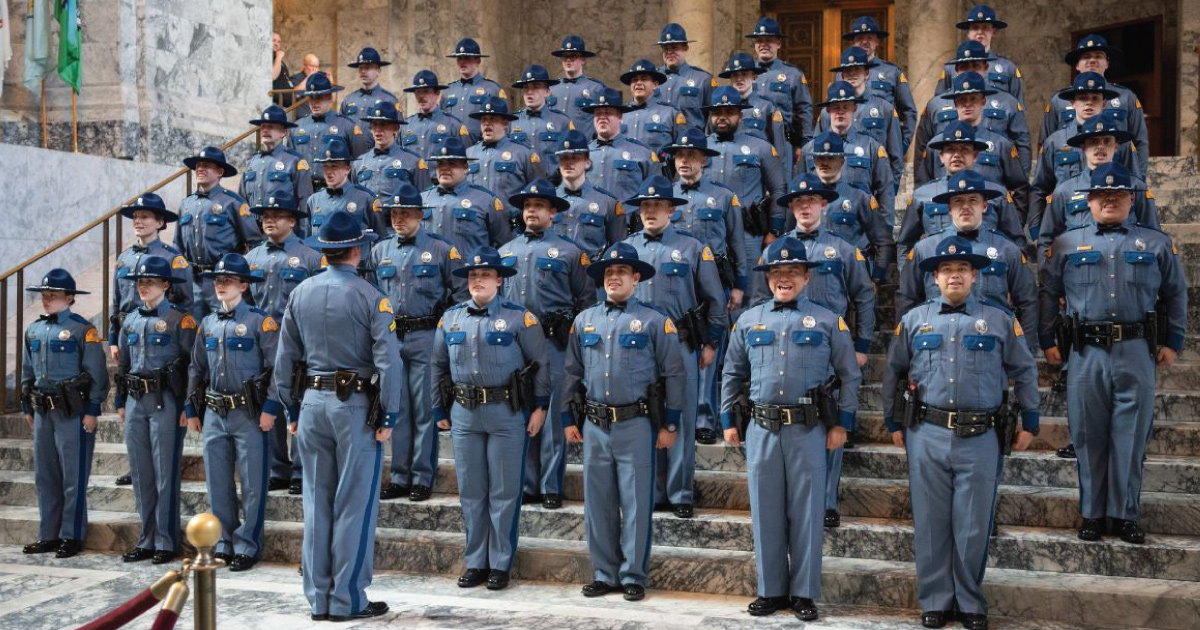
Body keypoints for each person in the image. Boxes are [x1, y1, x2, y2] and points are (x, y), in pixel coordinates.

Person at [883, 236, 1039, 630]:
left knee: (973, 524)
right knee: (930, 522)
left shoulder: (999, 319)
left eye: (962, 269)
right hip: (927, 432)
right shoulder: (914, 320)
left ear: (974, 276)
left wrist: (1031, 419)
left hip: (980, 435)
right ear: (934, 278)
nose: (954, 275)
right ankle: (936, 600)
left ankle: (969, 601)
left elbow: (1024, 370)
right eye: (947, 270)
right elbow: (894, 371)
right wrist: (893, 421)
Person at [1038, 163, 1187, 545]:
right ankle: (1092, 513)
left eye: (1117, 194)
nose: (1109, 200)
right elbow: (1048, 294)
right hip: (1086, 352)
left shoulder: (1155, 243)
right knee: (1088, 435)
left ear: (1131, 199)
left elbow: (1176, 292)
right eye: (1101, 195)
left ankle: (1124, 515)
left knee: (1131, 436)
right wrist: (1048, 339)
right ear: (1089, 200)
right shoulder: (1066, 244)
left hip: (1136, 349)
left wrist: (1173, 340)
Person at [721, 236, 861, 621]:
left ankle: (803, 593)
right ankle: (771, 590)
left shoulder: (829, 320)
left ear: (806, 277)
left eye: (793, 271)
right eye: (777, 272)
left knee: (808, 512)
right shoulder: (748, 320)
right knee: (765, 511)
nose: (784, 278)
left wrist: (842, 424)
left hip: (808, 428)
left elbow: (850, 375)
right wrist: (727, 420)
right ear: (767, 278)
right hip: (762, 428)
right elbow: (732, 373)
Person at [274, 211, 404, 621]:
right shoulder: (371, 296)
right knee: (353, 504)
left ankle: (319, 600)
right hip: (355, 406)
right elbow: (389, 362)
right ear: (357, 250)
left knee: (316, 504)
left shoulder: (301, 293)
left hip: (312, 404)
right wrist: (390, 415)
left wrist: (291, 407)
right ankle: (348, 599)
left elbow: (285, 358)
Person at [561, 242, 686, 601]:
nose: (614, 277)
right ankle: (604, 573)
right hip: (595, 423)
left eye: (621, 272)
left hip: (636, 423)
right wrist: (568, 417)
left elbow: (674, 374)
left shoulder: (654, 321)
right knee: (598, 503)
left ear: (636, 278)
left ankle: (633, 574)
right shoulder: (584, 321)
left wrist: (670, 424)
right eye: (608, 272)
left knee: (636, 502)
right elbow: (571, 372)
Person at [755, 175, 875, 528]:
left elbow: (864, 296)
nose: (805, 207)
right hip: (785, 349)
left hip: (829, 348)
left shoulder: (843, 250)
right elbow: (759, 302)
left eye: (811, 201)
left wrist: (862, 345)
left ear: (824, 204)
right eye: (798, 202)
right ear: (791, 207)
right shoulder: (773, 252)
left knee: (829, 420)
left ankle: (826, 501)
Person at [432, 246, 551, 590]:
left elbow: (541, 365)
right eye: (473, 275)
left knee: (504, 491)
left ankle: (500, 563)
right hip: (465, 412)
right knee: (471, 492)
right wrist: (439, 408)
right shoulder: (451, 318)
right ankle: (476, 561)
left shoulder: (520, 319)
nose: (478, 280)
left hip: (506, 412)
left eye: (485, 274)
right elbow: (437, 366)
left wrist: (540, 407)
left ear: (499, 280)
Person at [623, 175, 727, 517]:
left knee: (680, 419)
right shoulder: (626, 251)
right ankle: (653, 492)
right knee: (644, 418)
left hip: (682, 344)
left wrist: (710, 343)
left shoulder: (693, 248)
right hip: (637, 349)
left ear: (671, 210)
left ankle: (680, 493)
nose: (650, 211)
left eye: (657, 205)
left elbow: (715, 299)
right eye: (645, 206)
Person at [500, 180, 595, 509]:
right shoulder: (505, 252)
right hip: (515, 345)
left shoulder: (571, 253)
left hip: (554, 342)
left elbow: (586, 303)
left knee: (554, 416)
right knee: (523, 410)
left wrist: (578, 347)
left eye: (539, 206)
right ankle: (528, 484)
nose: (531, 211)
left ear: (553, 212)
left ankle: (551, 485)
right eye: (527, 206)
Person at [369, 184, 465, 502]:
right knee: (396, 408)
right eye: (394, 214)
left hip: (426, 335)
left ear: (420, 215)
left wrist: (445, 330)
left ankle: (422, 477)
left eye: (405, 214)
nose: (399, 219)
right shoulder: (380, 251)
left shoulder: (441, 250)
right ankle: (399, 476)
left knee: (424, 409)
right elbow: (371, 296)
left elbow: (461, 294)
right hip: (391, 337)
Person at [185, 254, 279, 573]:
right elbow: (196, 368)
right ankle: (224, 542)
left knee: (253, 483)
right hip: (215, 410)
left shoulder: (260, 322)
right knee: (218, 482)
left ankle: (248, 544)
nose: (221, 285)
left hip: (248, 412)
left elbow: (276, 369)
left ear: (243, 285)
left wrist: (270, 408)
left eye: (228, 280)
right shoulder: (208, 323)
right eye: (217, 280)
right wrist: (191, 408)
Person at [661, 128, 746, 443]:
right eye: (679, 156)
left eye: (691, 155)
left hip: (715, 283)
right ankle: (674, 412)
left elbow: (737, 243)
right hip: (677, 284)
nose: (684, 161)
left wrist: (739, 285)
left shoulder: (724, 197)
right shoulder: (665, 197)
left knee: (709, 350)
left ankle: (704, 418)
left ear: (704, 160)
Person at [898, 170, 1037, 354]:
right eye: (958, 201)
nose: (965, 207)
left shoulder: (1007, 250)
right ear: (949, 208)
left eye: (973, 200)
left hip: (992, 350)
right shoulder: (924, 250)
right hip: (936, 349)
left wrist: (1025, 349)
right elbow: (907, 299)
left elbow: (1027, 300)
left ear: (984, 206)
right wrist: (905, 351)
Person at [20, 269, 108, 560]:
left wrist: (93, 409)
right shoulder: (34, 329)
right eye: (44, 295)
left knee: (73, 476)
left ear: (69, 298)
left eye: (53, 295)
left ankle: (71, 535)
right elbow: (27, 371)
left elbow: (97, 374)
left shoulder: (83, 330)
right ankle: (49, 534)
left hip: (72, 412)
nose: (46, 299)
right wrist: (26, 404)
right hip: (42, 412)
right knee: (45, 476)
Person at [115, 256, 197, 564]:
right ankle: (146, 539)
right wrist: (120, 400)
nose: (143, 287)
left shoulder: (180, 320)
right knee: (141, 473)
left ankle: (166, 540)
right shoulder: (130, 320)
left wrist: (188, 405)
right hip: (136, 401)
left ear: (165, 285)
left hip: (166, 401)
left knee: (165, 473)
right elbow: (124, 364)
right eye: (140, 282)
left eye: (149, 281)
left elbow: (191, 366)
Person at [244, 191, 324, 493]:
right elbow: (245, 301)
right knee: (269, 399)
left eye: (277, 216)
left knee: (300, 401)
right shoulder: (251, 258)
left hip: (299, 339)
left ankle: (301, 469)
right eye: (265, 216)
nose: (269, 221)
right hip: (262, 341)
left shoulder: (311, 257)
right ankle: (278, 467)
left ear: (292, 221)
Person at [1031, 73, 1139, 239]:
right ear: (1072, 103)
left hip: (1116, 225)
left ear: (1104, 103)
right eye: (1082, 98)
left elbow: (1135, 184)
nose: (1089, 103)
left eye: (1095, 98)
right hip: (1070, 221)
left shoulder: (1121, 141)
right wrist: (1035, 228)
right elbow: (1040, 187)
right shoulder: (1054, 142)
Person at [898, 121, 1026, 261]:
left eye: (964, 149)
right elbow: (906, 244)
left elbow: (1016, 242)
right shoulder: (922, 195)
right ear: (941, 156)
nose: (957, 155)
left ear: (975, 155)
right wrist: (906, 270)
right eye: (950, 150)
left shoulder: (997, 193)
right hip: (940, 269)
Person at [1038, 114, 1157, 259]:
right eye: (1093, 141)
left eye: (1107, 141)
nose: (1100, 147)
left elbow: (1153, 236)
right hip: (1079, 267)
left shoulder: (1136, 187)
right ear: (1083, 147)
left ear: (1116, 146)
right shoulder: (1065, 191)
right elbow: (1047, 241)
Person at [918, 42, 1031, 179]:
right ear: (956, 69)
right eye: (964, 66)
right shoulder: (935, 105)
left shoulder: (1008, 102)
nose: (970, 71)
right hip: (945, 185)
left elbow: (1021, 144)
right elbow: (922, 149)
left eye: (975, 66)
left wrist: (1021, 182)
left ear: (985, 68)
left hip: (992, 184)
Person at [1041, 34, 1148, 176]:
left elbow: (1140, 142)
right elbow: (1046, 143)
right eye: (1086, 57)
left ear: (1107, 63)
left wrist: (1139, 179)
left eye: (1098, 56)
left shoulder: (1126, 97)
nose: (1092, 60)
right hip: (1071, 174)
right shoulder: (1058, 100)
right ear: (1077, 65)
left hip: (1114, 178)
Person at [799, 132, 894, 283]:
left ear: (842, 161)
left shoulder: (859, 197)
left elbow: (884, 241)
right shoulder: (799, 200)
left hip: (852, 277)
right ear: (814, 161)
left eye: (831, 158)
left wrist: (876, 277)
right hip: (813, 279)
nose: (825, 163)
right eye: (820, 158)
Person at [109, 193, 194, 363]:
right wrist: (113, 338)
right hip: (128, 334)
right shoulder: (124, 258)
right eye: (135, 217)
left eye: (144, 216)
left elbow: (186, 303)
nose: (137, 221)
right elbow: (116, 302)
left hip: (158, 334)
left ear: (160, 223)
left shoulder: (172, 258)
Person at [175, 146, 258, 315]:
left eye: (206, 165)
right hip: (193, 283)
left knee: (225, 326)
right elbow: (178, 246)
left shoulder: (233, 202)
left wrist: (242, 276)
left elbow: (255, 243)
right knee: (193, 328)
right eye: (198, 165)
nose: (200, 169)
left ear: (220, 172)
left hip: (224, 280)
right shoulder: (186, 204)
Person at [706, 87, 788, 252]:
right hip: (709, 233)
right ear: (710, 116)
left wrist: (775, 230)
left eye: (729, 112)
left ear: (740, 115)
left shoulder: (761, 148)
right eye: (716, 112)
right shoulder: (698, 149)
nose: (722, 117)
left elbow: (778, 188)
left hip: (748, 234)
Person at [800, 85, 894, 220]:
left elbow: (885, 191)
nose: (840, 112)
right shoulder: (809, 150)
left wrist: (883, 228)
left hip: (859, 225)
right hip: (820, 223)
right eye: (836, 107)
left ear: (854, 109)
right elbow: (800, 192)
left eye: (845, 107)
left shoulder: (871, 147)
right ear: (828, 110)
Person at [817, 50, 903, 183]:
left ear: (866, 73)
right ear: (842, 75)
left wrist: (890, 190)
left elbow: (895, 157)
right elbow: (815, 153)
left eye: (857, 69)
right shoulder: (827, 112)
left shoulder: (885, 109)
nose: (852, 74)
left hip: (871, 187)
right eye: (848, 70)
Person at [421, 137, 510, 254]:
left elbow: (505, 246)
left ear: (465, 168)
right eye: (440, 163)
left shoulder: (486, 201)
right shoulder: (423, 199)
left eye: (452, 164)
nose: (444, 169)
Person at [840, 16, 917, 153]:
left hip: (881, 147)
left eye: (870, 37)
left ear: (877, 41)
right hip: (848, 149)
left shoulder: (892, 72)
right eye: (860, 38)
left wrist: (901, 146)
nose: (865, 41)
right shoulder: (840, 74)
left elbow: (908, 111)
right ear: (853, 42)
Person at [467, 97, 546, 223]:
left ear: (505, 123)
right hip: (476, 225)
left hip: (511, 225)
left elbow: (538, 192)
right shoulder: (469, 154)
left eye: (493, 119)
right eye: (484, 119)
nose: (487, 124)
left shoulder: (523, 154)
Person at [553, 129, 625, 259]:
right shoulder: (548, 200)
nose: (569, 162)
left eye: (575, 157)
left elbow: (618, 249)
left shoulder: (608, 203)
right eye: (564, 157)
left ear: (587, 163)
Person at [746, 17, 813, 155]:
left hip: (782, 143)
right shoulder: (744, 73)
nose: (763, 45)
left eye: (769, 40)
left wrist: (805, 144)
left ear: (779, 43)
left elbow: (803, 110)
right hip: (750, 142)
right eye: (759, 40)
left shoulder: (793, 74)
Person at [720, 52, 791, 174]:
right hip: (727, 171)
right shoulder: (720, 109)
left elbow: (779, 150)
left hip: (757, 173)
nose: (739, 79)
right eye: (735, 75)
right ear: (730, 78)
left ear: (754, 76)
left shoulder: (767, 108)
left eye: (744, 74)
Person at [291, 72, 364, 191]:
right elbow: (291, 165)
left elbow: (360, 163)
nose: (314, 103)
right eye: (311, 98)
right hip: (304, 191)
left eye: (319, 97)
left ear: (330, 97)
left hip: (336, 191)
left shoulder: (346, 126)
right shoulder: (296, 128)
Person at [938, 4, 1024, 104]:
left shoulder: (1008, 68)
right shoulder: (951, 68)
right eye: (975, 27)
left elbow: (1018, 106)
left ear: (994, 32)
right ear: (968, 32)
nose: (980, 32)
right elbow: (939, 104)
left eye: (985, 27)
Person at [305, 135, 385, 242]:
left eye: (334, 166)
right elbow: (309, 241)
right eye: (325, 166)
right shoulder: (313, 201)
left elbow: (380, 241)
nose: (329, 172)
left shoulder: (365, 200)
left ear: (348, 169)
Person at [243, 105, 314, 214]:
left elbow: (304, 202)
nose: (265, 130)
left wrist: (301, 226)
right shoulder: (252, 162)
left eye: (271, 126)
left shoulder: (295, 161)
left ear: (283, 132)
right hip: (253, 224)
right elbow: (242, 202)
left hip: (282, 222)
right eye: (263, 126)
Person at [402, 70, 471, 173]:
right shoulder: (406, 125)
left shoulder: (453, 125)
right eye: (418, 92)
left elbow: (467, 161)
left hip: (440, 180)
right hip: (412, 181)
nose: (421, 96)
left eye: (426, 91)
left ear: (437, 93)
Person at [510, 64, 574, 173]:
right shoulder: (512, 121)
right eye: (526, 87)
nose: (529, 92)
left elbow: (572, 157)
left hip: (551, 182)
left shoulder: (562, 122)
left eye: (536, 86)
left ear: (547, 92)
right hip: (520, 182)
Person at [351, 102, 425, 195]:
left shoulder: (413, 162)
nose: (378, 130)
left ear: (396, 128)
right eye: (374, 124)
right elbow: (355, 197)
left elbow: (424, 197)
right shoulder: (359, 163)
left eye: (383, 124)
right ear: (370, 129)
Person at [655, 22, 716, 131]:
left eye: (674, 48)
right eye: (666, 48)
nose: (669, 52)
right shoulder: (652, 78)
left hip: (691, 140)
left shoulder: (703, 79)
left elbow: (714, 116)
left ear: (685, 48)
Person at [442, 38, 505, 139]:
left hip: (481, 146)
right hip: (453, 146)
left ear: (478, 60)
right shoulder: (448, 90)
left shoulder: (491, 89)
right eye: (459, 58)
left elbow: (503, 124)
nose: (462, 62)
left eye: (467, 58)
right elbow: (442, 121)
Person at [341, 47, 399, 155]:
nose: (363, 71)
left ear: (378, 71)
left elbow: (399, 134)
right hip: (352, 158)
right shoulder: (348, 100)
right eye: (360, 68)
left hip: (380, 157)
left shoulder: (389, 100)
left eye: (367, 68)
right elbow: (342, 131)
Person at [619, 59, 684, 156]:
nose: (638, 83)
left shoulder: (670, 114)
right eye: (634, 80)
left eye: (644, 79)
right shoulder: (619, 114)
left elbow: (681, 150)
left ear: (655, 85)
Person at [548, 35, 608, 133]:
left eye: (573, 56)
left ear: (583, 59)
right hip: (556, 142)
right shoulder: (552, 88)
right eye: (565, 56)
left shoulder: (596, 88)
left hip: (584, 142)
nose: (568, 60)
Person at [290, 53, 321, 118]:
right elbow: (296, 94)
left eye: (316, 67)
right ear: (304, 66)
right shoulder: (295, 78)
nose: (314, 69)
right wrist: (309, 77)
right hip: (303, 116)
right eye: (312, 66)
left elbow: (331, 99)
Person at [271, 33, 294, 109]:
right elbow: (273, 76)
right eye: (274, 40)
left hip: (286, 106)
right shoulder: (267, 57)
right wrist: (279, 57)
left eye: (279, 42)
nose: (276, 44)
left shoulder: (279, 60)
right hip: (275, 105)